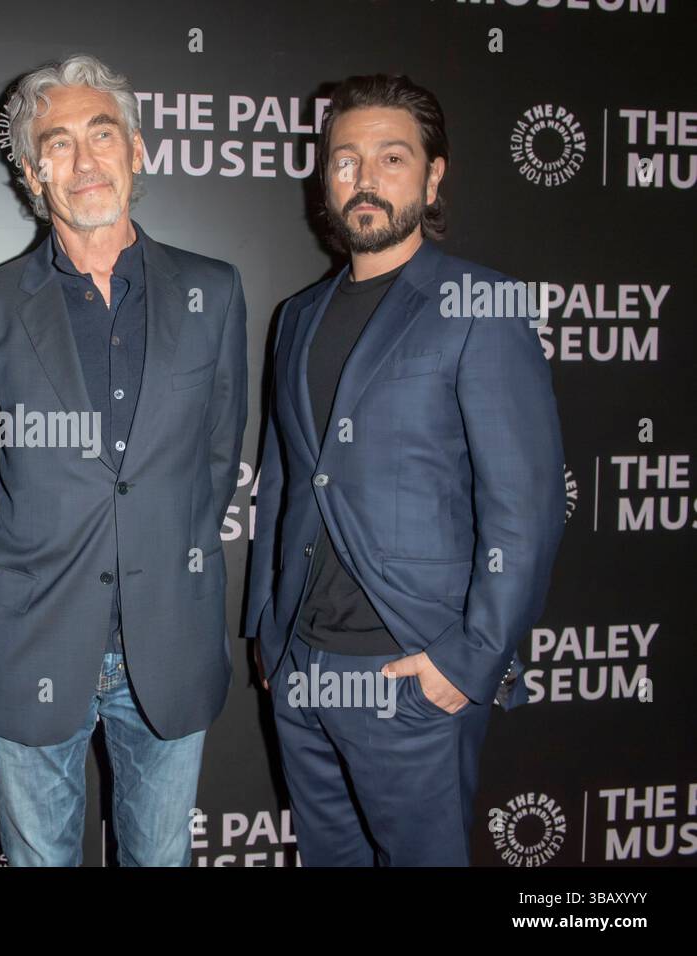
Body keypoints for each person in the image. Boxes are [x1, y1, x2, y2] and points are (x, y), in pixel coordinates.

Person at [245, 73, 564, 866]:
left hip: (409, 672)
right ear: (325, 178)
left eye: (392, 158)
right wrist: (266, 631)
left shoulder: (478, 305)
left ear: (432, 174)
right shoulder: (297, 317)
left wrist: (469, 658)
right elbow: (282, 481)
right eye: (345, 160)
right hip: (303, 671)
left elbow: (525, 504)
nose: (365, 179)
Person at [0, 53, 247, 866]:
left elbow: (217, 462)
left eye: (101, 134)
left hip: (171, 644)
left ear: (137, 149)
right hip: (35, 640)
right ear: (32, 175)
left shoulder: (211, 292)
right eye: (58, 144)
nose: (84, 162)